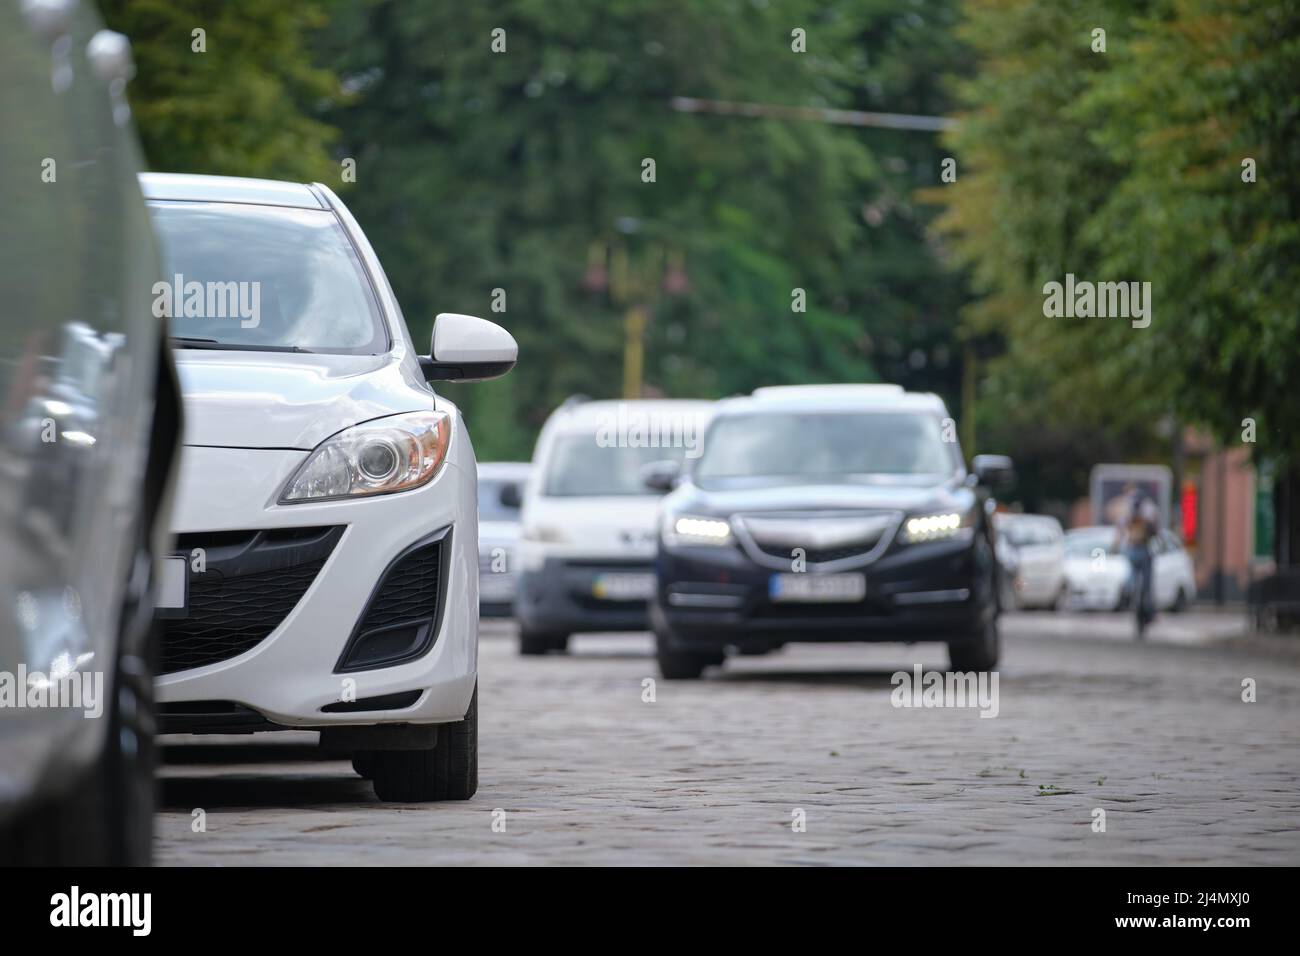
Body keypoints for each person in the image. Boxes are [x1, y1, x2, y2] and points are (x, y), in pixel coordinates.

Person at [1114, 484, 1160, 637]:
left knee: (1132, 577)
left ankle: (1127, 595)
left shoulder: (1128, 509)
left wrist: (1115, 545)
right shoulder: (1149, 508)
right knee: (1147, 585)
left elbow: (1120, 530)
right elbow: (1156, 530)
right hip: (1145, 549)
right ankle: (1147, 609)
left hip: (1133, 549)